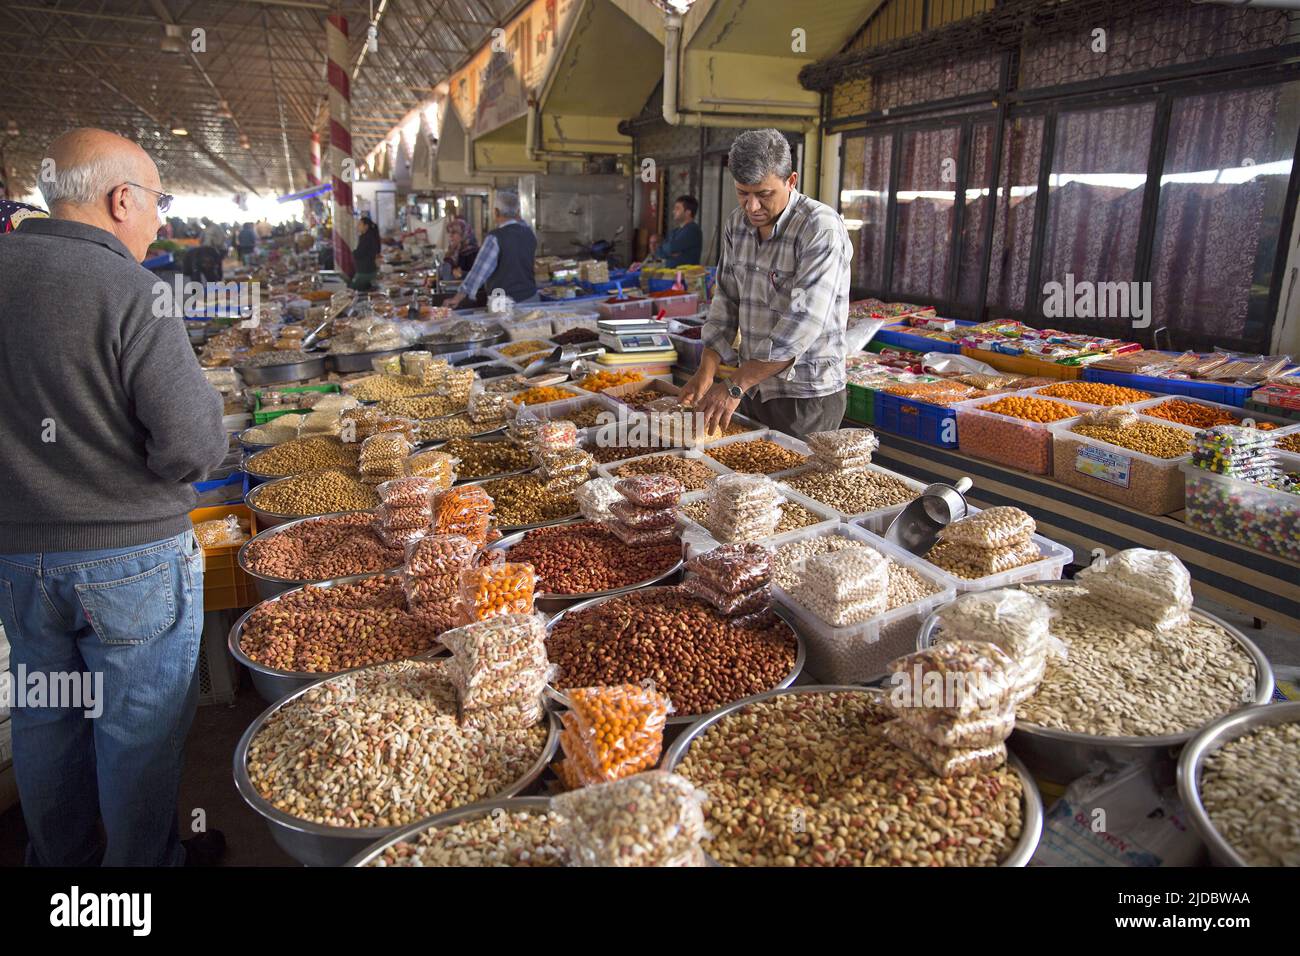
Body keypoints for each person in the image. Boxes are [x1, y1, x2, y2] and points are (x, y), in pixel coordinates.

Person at [0, 128, 229, 867]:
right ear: (120, 198)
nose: (161, 220)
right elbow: (194, 442)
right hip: (129, 559)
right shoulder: (130, 289)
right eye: (158, 202)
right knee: (137, 727)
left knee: (47, 718)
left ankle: (57, 867)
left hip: (17, 557)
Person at [681, 129, 851, 440]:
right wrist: (706, 370)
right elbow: (726, 301)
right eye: (743, 193)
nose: (752, 207)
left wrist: (735, 385)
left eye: (764, 194)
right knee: (747, 483)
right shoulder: (737, 225)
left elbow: (802, 325)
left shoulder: (820, 228)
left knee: (793, 482)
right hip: (753, 388)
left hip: (805, 396)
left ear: (791, 181)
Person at [445, 190, 537, 309]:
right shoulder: (529, 233)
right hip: (532, 299)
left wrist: (457, 298)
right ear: (518, 212)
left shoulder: (495, 237)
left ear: (496, 212)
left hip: (505, 304)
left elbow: (478, 272)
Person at [650, 194, 703, 267]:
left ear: (688, 212)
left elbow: (671, 247)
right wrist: (669, 251)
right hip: (671, 274)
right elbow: (659, 251)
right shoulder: (675, 231)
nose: (673, 211)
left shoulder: (692, 230)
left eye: (677, 208)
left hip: (685, 276)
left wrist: (667, 249)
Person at [350, 215, 381, 291]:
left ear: (366, 226)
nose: (357, 226)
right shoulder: (371, 236)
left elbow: (360, 253)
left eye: (360, 224)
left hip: (364, 272)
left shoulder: (366, 238)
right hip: (371, 270)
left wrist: (352, 253)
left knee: (352, 291)